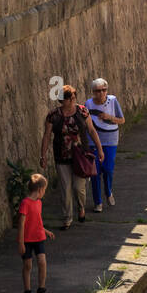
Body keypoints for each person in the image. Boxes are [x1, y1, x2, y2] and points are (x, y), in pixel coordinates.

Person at [40, 85, 104, 229]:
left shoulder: (82, 111)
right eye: (70, 99)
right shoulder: (53, 115)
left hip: (80, 155)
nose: (73, 101)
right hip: (61, 156)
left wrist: (100, 149)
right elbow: (46, 136)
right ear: (63, 100)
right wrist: (42, 156)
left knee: (79, 188)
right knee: (66, 188)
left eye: (74, 98)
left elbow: (92, 130)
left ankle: (81, 207)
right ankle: (67, 218)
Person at [84, 78, 125, 212]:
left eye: (104, 90)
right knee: (95, 172)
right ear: (93, 92)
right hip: (93, 141)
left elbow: (122, 120)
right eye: (98, 91)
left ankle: (108, 191)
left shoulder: (112, 100)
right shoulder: (88, 104)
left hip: (110, 140)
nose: (101, 93)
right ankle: (98, 202)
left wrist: (109, 117)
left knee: (107, 169)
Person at [17, 173, 54, 293]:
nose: (44, 192)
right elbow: (21, 223)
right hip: (27, 239)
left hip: (39, 237)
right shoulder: (25, 203)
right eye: (44, 189)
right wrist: (21, 242)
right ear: (40, 189)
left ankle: (41, 289)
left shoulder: (39, 203)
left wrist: (46, 231)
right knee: (27, 265)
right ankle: (27, 291)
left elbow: (37, 221)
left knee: (42, 262)